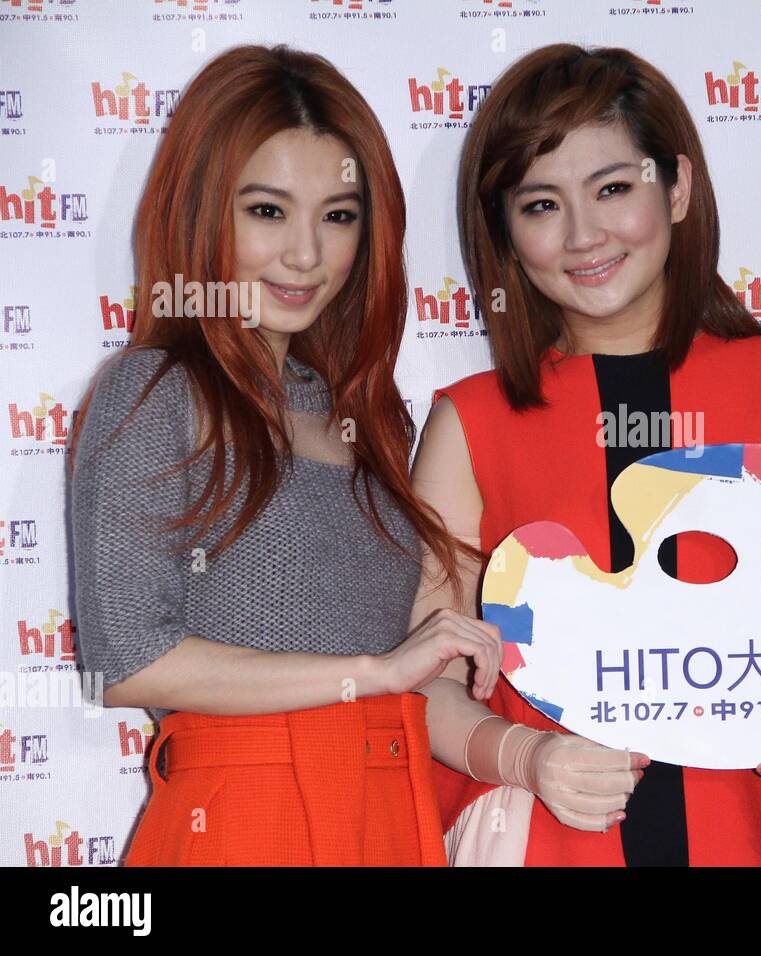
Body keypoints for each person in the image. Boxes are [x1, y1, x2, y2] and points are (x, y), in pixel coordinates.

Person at [411, 44, 761, 866]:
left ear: (679, 187)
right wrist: (526, 757)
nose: (584, 235)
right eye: (541, 204)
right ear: (506, 233)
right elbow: (429, 677)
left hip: (758, 834)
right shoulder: (472, 423)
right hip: (550, 840)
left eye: (614, 189)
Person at [68, 44, 501, 867]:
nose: (307, 254)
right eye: (267, 211)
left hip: (391, 807)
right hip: (247, 814)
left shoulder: (367, 418)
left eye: (338, 215)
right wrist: (372, 673)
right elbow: (127, 661)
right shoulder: (156, 389)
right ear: (203, 209)